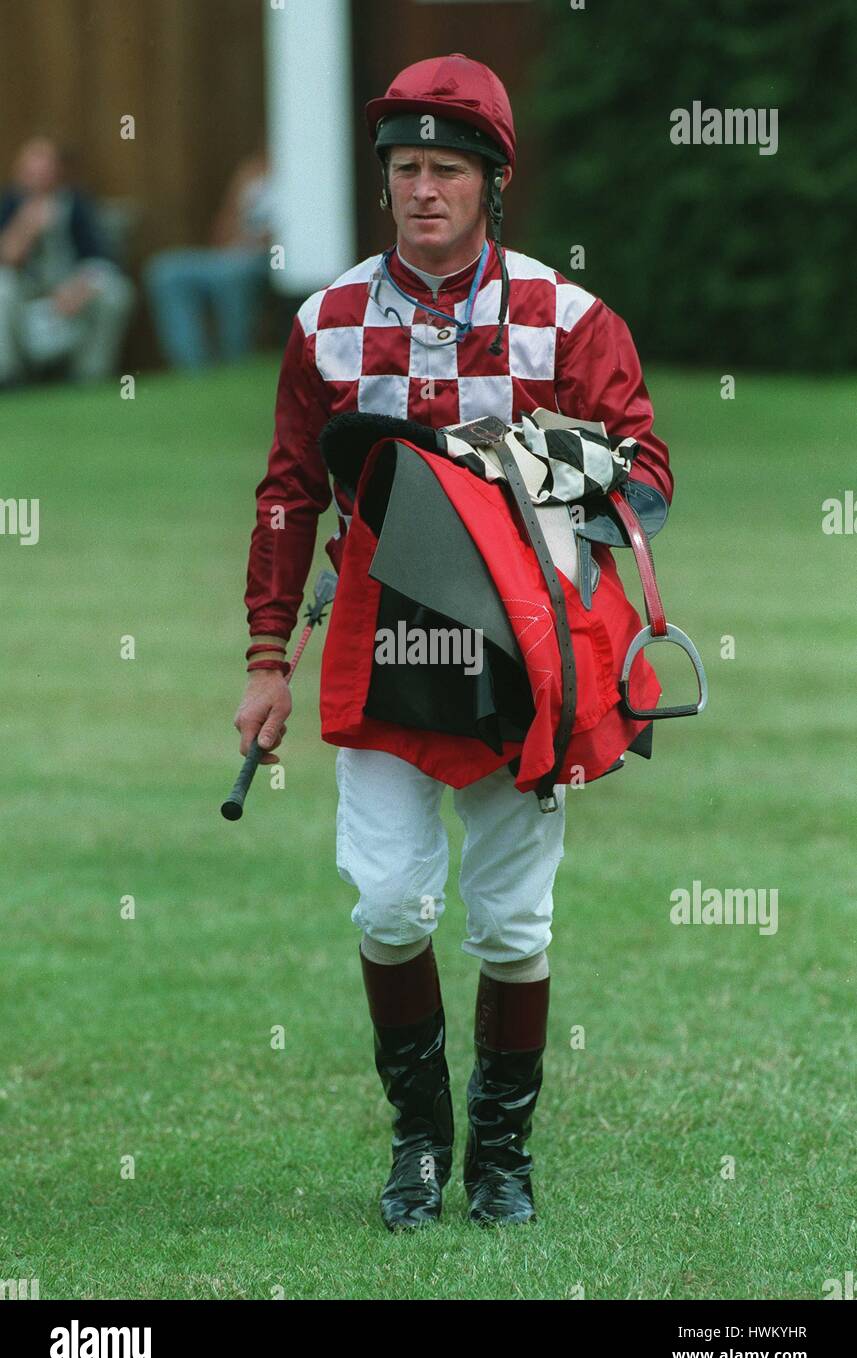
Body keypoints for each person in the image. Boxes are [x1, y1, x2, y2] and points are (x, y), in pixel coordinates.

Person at [233, 55, 673, 1229]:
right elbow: (287, 495)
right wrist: (265, 658)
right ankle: (419, 1145)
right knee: (384, 904)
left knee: (513, 923)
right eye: (404, 168)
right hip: (378, 644)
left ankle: (501, 1157)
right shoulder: (325, 323)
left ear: (492, 181)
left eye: (446, 169)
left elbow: (645, 479)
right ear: (384, 180)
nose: (422, 190)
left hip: (522, 660)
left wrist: (513, 474)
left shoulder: (565, 317)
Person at [0, 136, 135, 386]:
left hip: (69, 292)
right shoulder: (9, 204)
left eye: (43, 162)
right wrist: (26, 227)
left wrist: (79, 287)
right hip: (24, 296)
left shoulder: (77, 204)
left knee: (118, 292)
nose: (35, 170)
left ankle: (90, 376)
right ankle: (8, 377)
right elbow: (6, 260)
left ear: (58, 169)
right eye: (30, 162)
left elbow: (103, 258)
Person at [143, 153, 273, 370]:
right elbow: (225, 223)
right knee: (164, 270)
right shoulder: (251, 171)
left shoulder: (306, 174)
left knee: (233, 275)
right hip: (232, 255)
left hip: (271, 260)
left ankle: (235, 362)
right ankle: (193, 368)